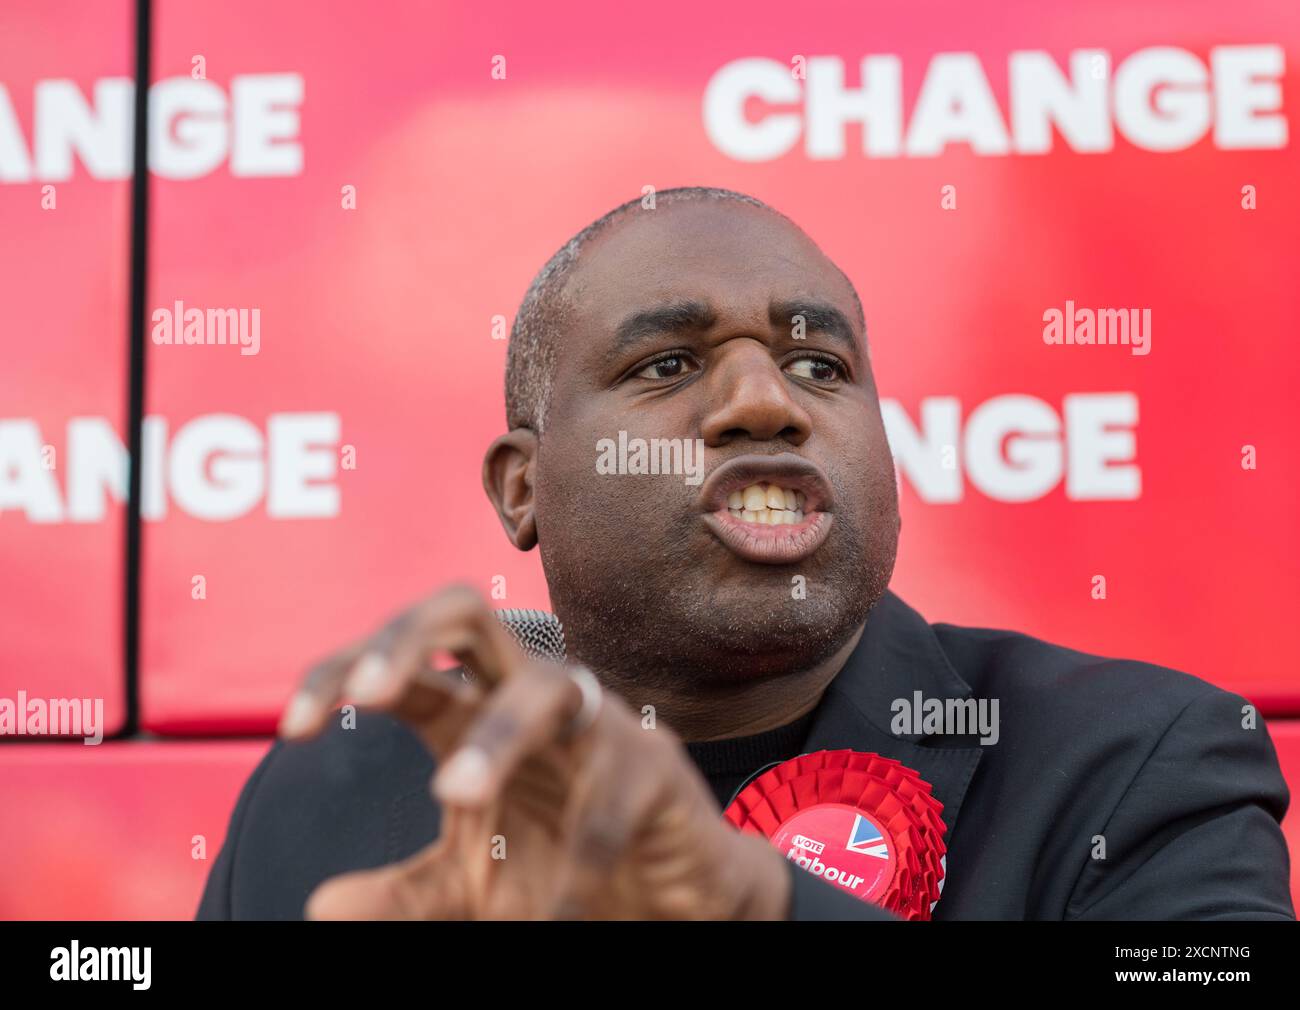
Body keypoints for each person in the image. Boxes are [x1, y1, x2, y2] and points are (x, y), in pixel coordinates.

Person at [197, 187, 1293, 920]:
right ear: (522, 486)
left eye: (819, 364)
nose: (763, 402)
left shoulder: (1136, 765)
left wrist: (745, 901)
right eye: (669, 364)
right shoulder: (327, 794)